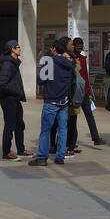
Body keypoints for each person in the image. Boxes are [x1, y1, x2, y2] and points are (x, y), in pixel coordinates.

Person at [29, 38, 74, 167]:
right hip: (64, 101)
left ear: (55, 49)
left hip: (51, 101)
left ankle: (42, 157)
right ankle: (60, 157)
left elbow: (40, 80)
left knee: (45, 130)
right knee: (63, 129)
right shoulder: (69, 63)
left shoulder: (49, 61)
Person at [0, 39, 30, 161]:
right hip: (9, 99)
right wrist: (15, 92)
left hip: (15, 99)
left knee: (19, 124)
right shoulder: (8, 64)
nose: (20, 49)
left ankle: (21, 149)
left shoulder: (13, 62)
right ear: (12, 49)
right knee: (10, 125)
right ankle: (6, 153)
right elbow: (2, 84)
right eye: (18, 47)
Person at [72, 38, 106, 146]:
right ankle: (72, 142)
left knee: (89, 115)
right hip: (74, 92)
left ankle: (96, 138)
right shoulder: (70, 58)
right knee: (73, 118)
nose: (80, 47)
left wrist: (89, 92)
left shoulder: (83, 58)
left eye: (81, 45)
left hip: (84, 92)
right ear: (73, 46)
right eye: (78, 45)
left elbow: (85, 76)